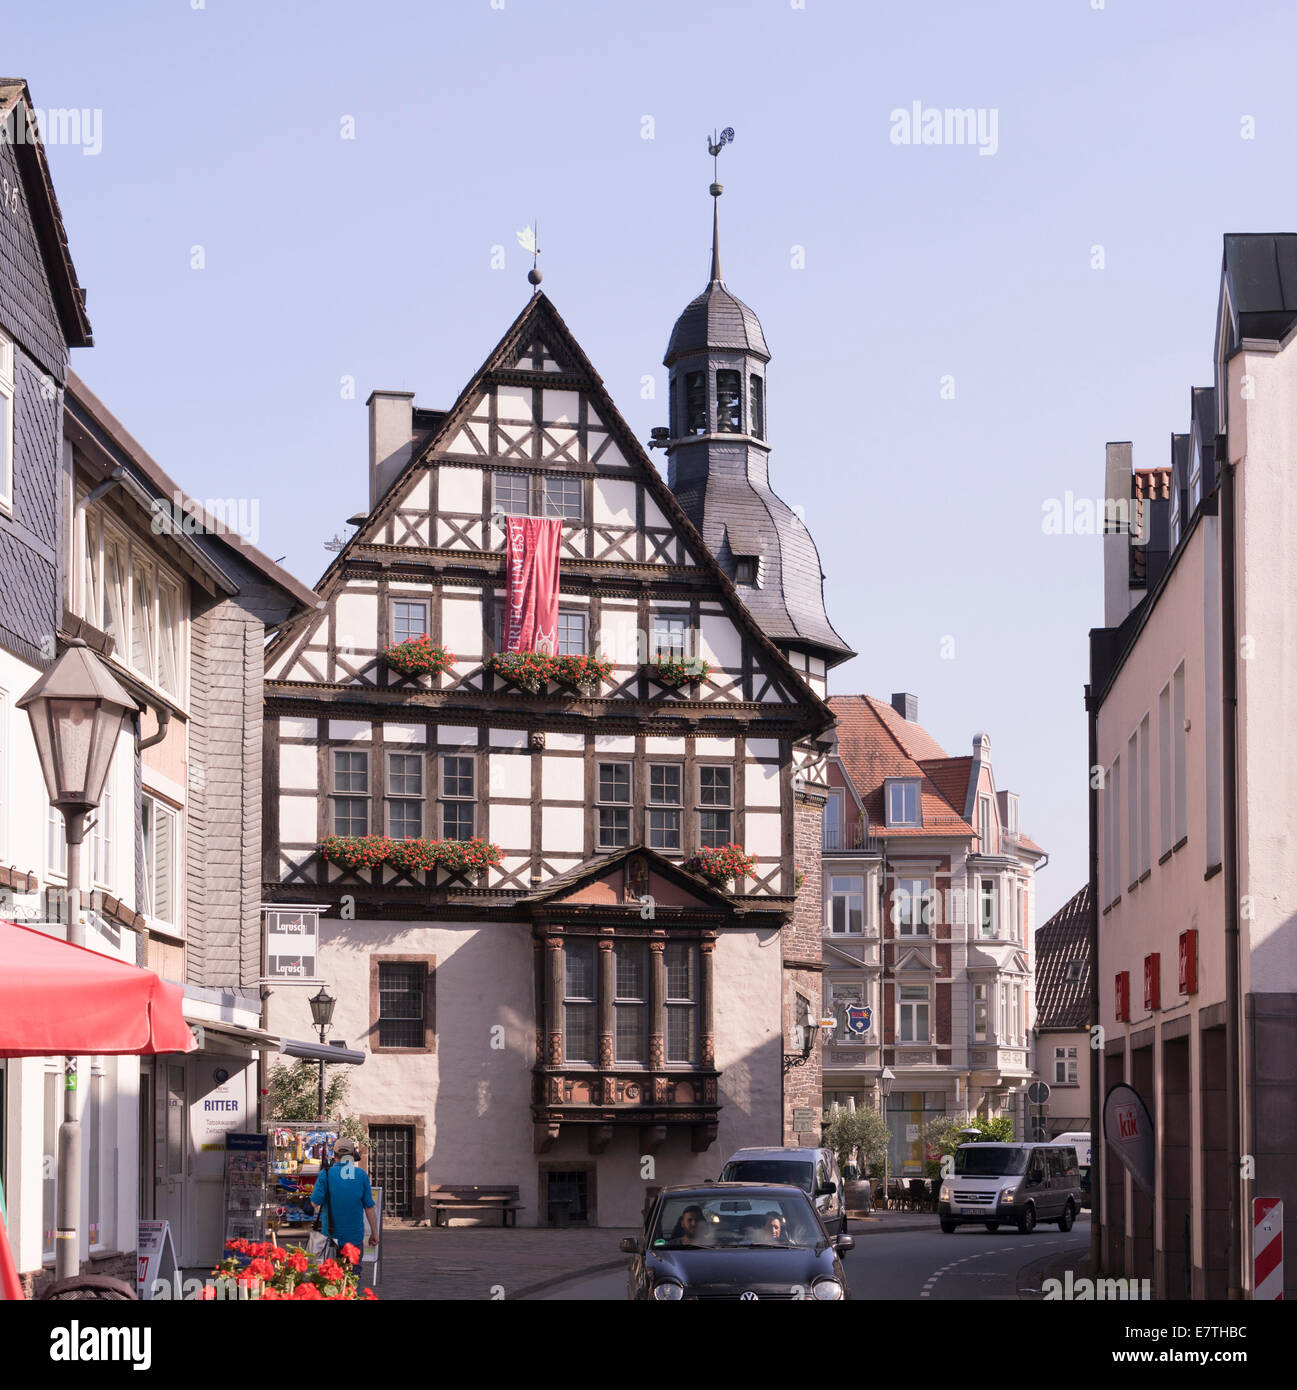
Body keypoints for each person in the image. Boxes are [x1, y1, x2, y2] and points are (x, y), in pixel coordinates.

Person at [311, 1138, 379, 1274]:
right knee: (352, 1278)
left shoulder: (325, 1174)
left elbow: (314, 1202)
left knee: (330, 1278)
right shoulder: (361, 1175)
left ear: (334, 1155)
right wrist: (374, 1233)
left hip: (330, 1237)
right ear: (353, 1155)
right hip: (354, 1238)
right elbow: (369, 1208)